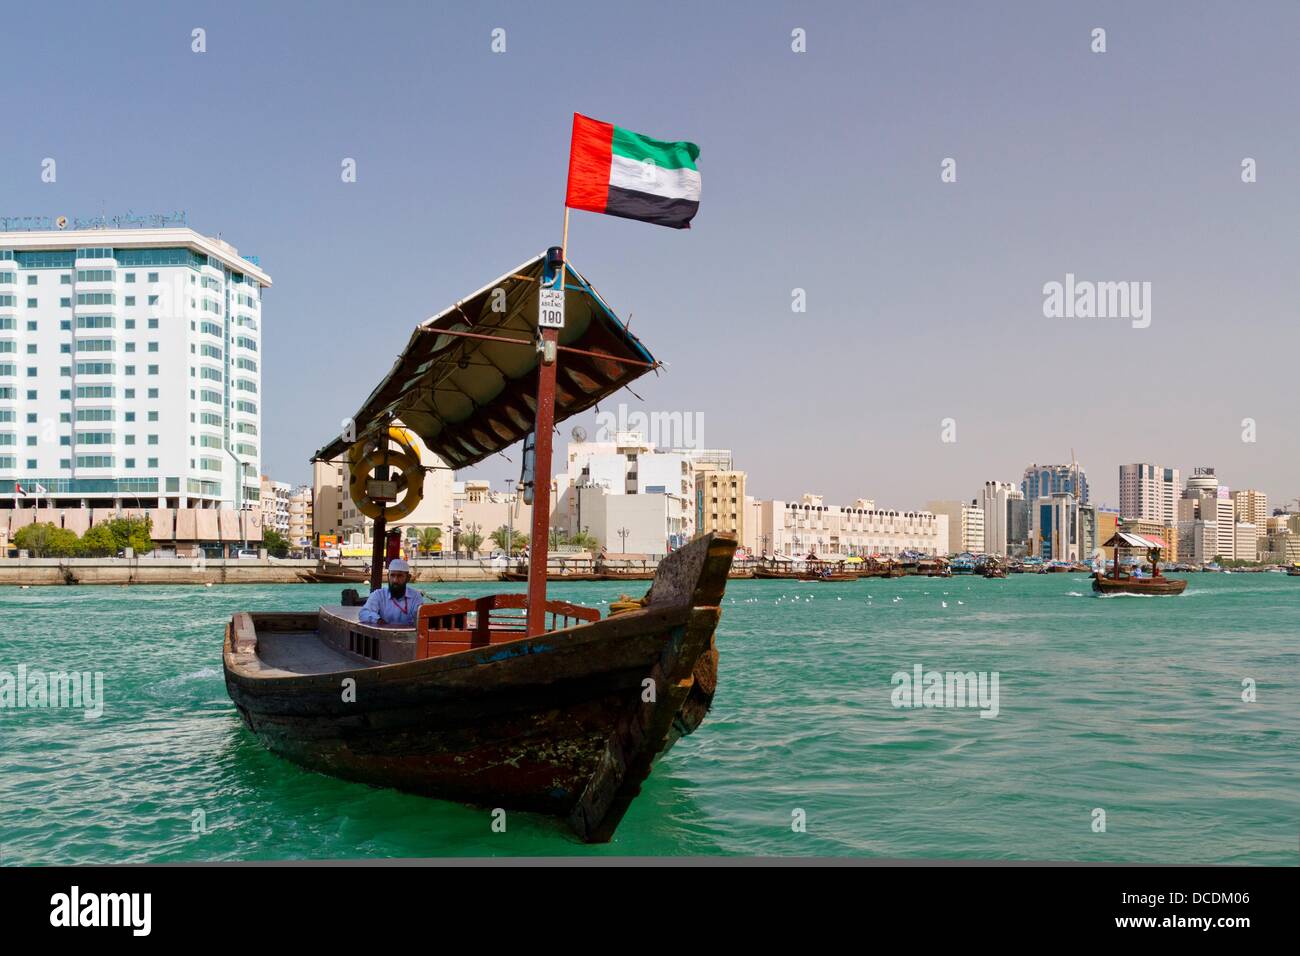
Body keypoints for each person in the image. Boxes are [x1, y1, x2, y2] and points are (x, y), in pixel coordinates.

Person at [358, 558, 424, 627]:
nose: (395, 580)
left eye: (399, 576)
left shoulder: (415, 597)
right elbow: (364, 613)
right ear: (388, 576)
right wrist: (378, 620)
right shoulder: (379, 595)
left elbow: (421, 619)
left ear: (408, 578)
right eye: (392, 575)